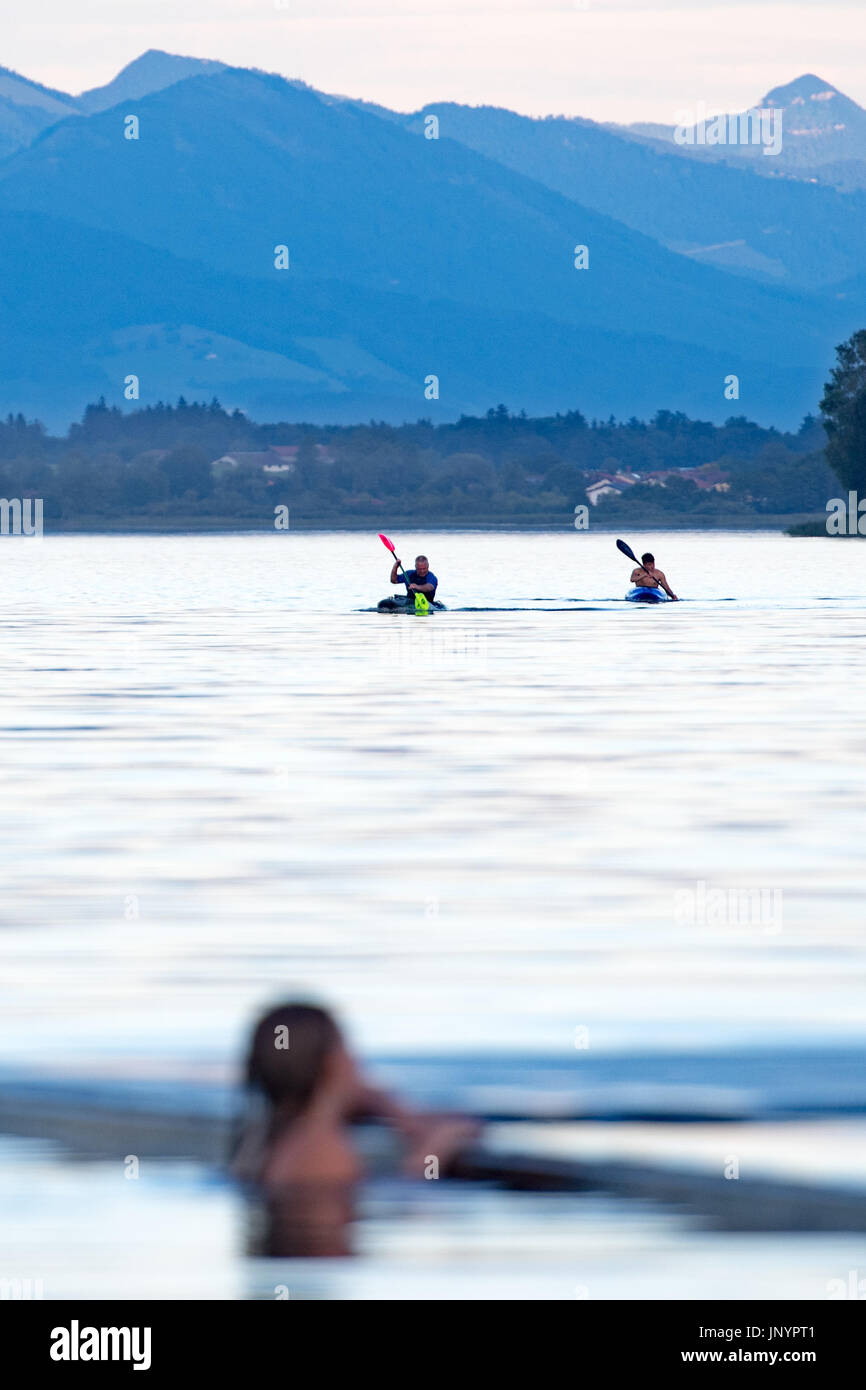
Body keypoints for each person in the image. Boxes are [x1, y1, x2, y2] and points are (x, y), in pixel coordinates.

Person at [231, 1002, 478, 1190]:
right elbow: (407, 1198)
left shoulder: (269, 1139)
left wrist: (392, 1111)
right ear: (334, 1063)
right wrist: (435, 1152)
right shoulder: (321, 1151)